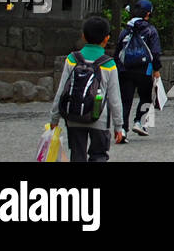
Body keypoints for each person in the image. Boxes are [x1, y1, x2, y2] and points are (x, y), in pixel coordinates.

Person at [50, 16, 124, 162]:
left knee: (77, 155)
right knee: (99, 155)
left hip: (74, 116)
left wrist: (54, 118)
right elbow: (115, 99)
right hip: (98, 118)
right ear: (106, 38)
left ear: (83, 36)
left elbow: (61, 91)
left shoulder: (72, 59)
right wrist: (118, 126)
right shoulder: (109, 64)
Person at [114, 0, 162, 140]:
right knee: (146, 97)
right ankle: (139, 121)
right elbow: (155, 52)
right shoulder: (150, 30)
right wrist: (156, 68)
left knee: (125, 100)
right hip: (144, 70)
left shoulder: (126, 30)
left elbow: (118, 51)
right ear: (148, 13)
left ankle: (122, 129)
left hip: (125, 69)